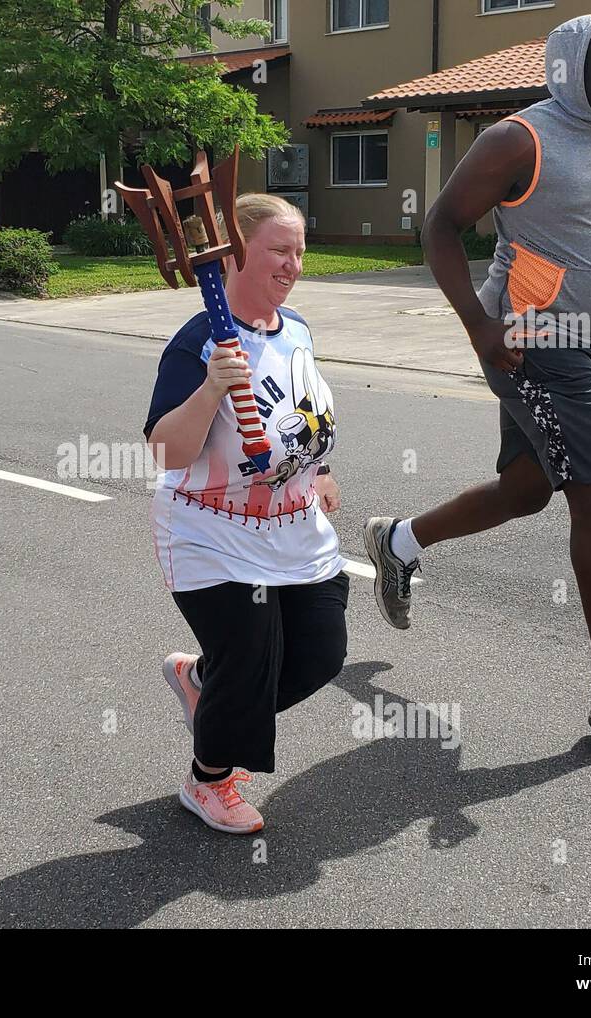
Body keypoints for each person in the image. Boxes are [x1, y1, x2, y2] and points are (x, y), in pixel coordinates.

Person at [363, 14, 591, 756]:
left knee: (527, 489)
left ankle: (399, 540)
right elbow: (440, 226)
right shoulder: (517, 139)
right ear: (570, 70)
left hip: (586, 344)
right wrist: (478, 328)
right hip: (527, 342)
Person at [145, 193, 348, 835]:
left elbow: (299, 412)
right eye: (279, 252)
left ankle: (205, 682)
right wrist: (210, 386)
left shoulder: (298, 330)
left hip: (294, 527)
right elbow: (164, 449)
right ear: (236, 254)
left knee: (319, 653)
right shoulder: (198, 342)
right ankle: (210, 779)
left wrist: (317, 470)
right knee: (252, 654)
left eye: (299, 253)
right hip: (212, 531)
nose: (293, 266)